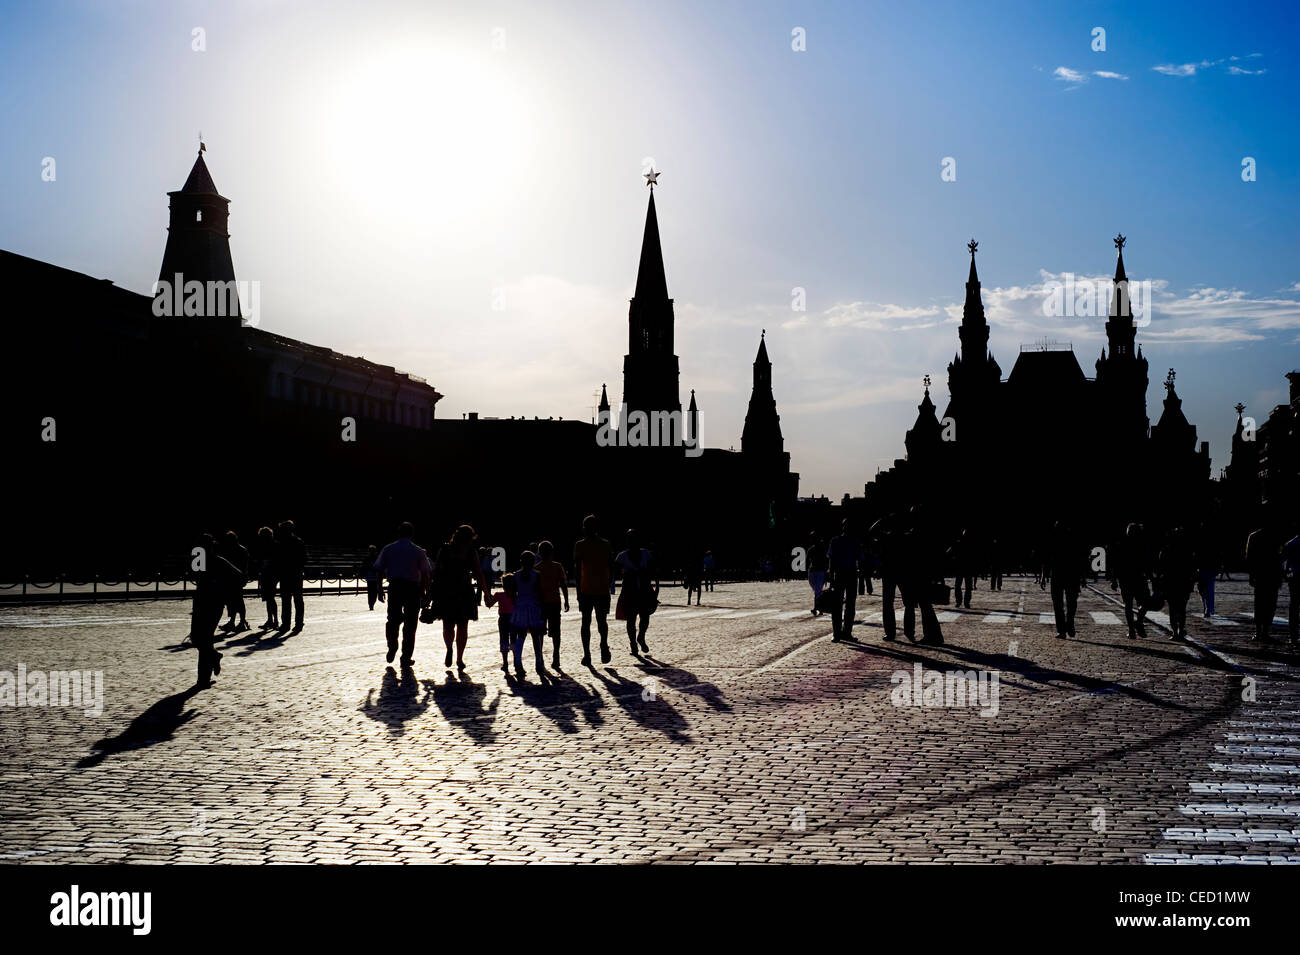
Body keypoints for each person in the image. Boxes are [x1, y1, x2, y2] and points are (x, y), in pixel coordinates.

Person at [374, 522, 433, 666]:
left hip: (395, 587)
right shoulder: (418, 551)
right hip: (412, 588)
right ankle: (406, 656)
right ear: (412, 534)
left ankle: (392, 646)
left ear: (398, 533)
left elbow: (380, 569)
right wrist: (426, 592)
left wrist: (379, 589)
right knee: (410, 624)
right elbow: (425, 574)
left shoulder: (388, 549)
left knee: (392, 619)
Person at [432, 524, 490, 669]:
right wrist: (486, 593)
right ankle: (459, 658)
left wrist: (431, 592)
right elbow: (478, 573)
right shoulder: (470, 552)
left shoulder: (445, 549)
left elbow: (436, 572)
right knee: (463, 626)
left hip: (446, 590)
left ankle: (449, 648)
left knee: (448, 624)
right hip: (464, 590)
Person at [189, 533, 241, 687]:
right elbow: (194, 575)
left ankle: (203, 678)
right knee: (199, 639)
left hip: (214, 603)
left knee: (203, 638)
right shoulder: (200, 559)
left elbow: (239, 576)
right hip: (200, 602)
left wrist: (219, 585)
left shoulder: (219, 561)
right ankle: (213, 658)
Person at [573, 514, 614, 665]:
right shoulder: (606, 544)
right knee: (602, 621)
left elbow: (577, 570)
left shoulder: (580, 545)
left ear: (585, 528)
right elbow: (611, 566)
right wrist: (608, 584)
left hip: (586, 589)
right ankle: (603, 644)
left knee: (586, 622)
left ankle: (587, 654)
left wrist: (578, 591)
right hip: (602, 589)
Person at [899, 509, 942, 645]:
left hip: (916, 576)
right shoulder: (928, 535)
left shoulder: (912, 536)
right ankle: (933, 634)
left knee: (923, 606)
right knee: (925, 606)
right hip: (922, 575)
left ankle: (932, 635)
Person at [616, 529, 659, 656]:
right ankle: (633, 643)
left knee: (645, 616)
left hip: (645, 589)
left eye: (634, 539)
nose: (632, 542)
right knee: (631, 619)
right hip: (629, 591)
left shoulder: (646, 554)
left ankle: (641, 636)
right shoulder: (621, 556)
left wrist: (656, 587)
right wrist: (627, 573)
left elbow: (653, 569)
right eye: (630, 539)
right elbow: (616, 571)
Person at [508, 551, 548, 678]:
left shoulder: (516, 575)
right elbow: (540, 593)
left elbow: (513, 594)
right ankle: (538, 661)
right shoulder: (537, 575)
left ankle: (518, 663)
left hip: (520, 606)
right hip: (534, 606)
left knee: (521, 636)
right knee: (536, 637)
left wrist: (516, 604)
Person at [1043, 521, 1084, 639]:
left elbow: (1046, 560)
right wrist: (1083, 577)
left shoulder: (1053, 541)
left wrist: (1043, 577)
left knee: (1058, 604)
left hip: (1059, 575)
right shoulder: (1074, 541)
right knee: (1070, 602)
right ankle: (1069, 623)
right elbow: (1080, 560)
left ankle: (1062, 629)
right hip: (1071, 575)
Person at [1157, 526, 1197, 641]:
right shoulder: (1187, 551)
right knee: (1181, 608)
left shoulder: (1165, 550)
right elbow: (1193, 568)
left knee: (1173, 609)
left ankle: (1175, 632)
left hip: (1171, 583)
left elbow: (1161, 569)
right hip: (1183, 582)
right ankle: (1180, 629)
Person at [1113, 523, 1151, 639]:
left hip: (1131, 579)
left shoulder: (1136, 545)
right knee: (1139, 604)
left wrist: (1114, 580)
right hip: (1132, 579)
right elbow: (1117, 564)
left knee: (1134, 605)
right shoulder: (1130, 545)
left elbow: (1146, 562)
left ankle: (1135, 626)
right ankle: (1135, 625)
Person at [827, 520, 863, 642]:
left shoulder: (836, 541)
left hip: (842, 573)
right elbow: (859, 559)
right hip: (848, 573)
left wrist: (831, 575)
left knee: (840, 605)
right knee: (848, 605)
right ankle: (844, 632)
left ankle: (838, 633)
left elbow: (831, 559)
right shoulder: (854, 542)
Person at [536, 540, 569, 670]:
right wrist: (566, 600)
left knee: (540, 632)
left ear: (539, 554)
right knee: (556, 632)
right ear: (552, 553)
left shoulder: (537, 569)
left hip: (541, 603)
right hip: (554, 602)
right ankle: (556, 656)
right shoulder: (557, 566)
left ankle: (540, 658)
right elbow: (563, 584)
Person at [1246, 524, 1282, 642]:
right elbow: (1279, 557)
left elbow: (1249, 558)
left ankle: (1259, 631)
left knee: (1260, 603)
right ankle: (1265, 631)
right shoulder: (1276, 536)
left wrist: (1251, 575)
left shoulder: (1254, 537)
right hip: (1272, 575)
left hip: (1260, 575)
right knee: (1270, 604)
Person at [869, 514, 902, 641]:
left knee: (888, 603)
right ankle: (909, 631)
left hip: (889, 572)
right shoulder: (905, 536)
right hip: (903, 571)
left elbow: (871, 531)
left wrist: (881, 520)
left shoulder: (886, 537)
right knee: (909, 603)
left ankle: (890, 632)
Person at [275, 520, 307, 633]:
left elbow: (278, 560)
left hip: (286, 574)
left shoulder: (281, 543)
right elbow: (304, 559)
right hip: (296, 574)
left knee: (287, 600)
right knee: (297, 600)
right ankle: (298, 623)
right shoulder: (298, 542)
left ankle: (286, 624)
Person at [219, 531, 251, 632]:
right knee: (234, 601)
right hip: (236, 579)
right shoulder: (242, 550)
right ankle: (236, 622)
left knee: (236, 601)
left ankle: (239, 622)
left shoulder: (234, 550)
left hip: (235, 579)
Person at [254, 526, 278, 630]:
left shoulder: (272, 545)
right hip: (267, 574)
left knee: (270, 598)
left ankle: (274, 620)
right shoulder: (269, 545)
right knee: (269, 598)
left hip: (271, 574)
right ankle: (271, 620)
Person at [491, 574, 516, 672]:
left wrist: (486, 596)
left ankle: (505, 662)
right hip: (514, 619)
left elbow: (489, 603)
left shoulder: (499, 595)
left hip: (503, 619)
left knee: (503, 639)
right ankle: (516, 661)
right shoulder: (516, 596)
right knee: (514, 639)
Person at [1283, 524, 1300, 649]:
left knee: (1294, 606)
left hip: (1295, 577)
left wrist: (1285, 575)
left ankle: (1293, 635)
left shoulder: (1291, 543)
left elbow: (1285, 562)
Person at [1195, 528, 1218, 618]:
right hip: (1202, 568)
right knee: (1203, 589)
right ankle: (1207, 607)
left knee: (1208, 589)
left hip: (1208, 568)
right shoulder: (1199, 543)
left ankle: (1207, 608)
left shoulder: (1212, 544)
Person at [807, 534, 828, 616]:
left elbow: (827, 560)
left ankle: (817, 608)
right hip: (813, 571)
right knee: (817, 590)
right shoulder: (811, 549)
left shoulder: (822, 549)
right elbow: (807, 561)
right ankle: (820, 607)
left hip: (820, 571)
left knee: (817, 590)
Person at [362, 544, 385, 611]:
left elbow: (364, 567)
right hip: (374, 577)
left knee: (371, 591)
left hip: (370, 577)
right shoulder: (376, 558)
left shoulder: (368, 559)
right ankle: (371, 603)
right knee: (374, 591)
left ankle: (371, 604)